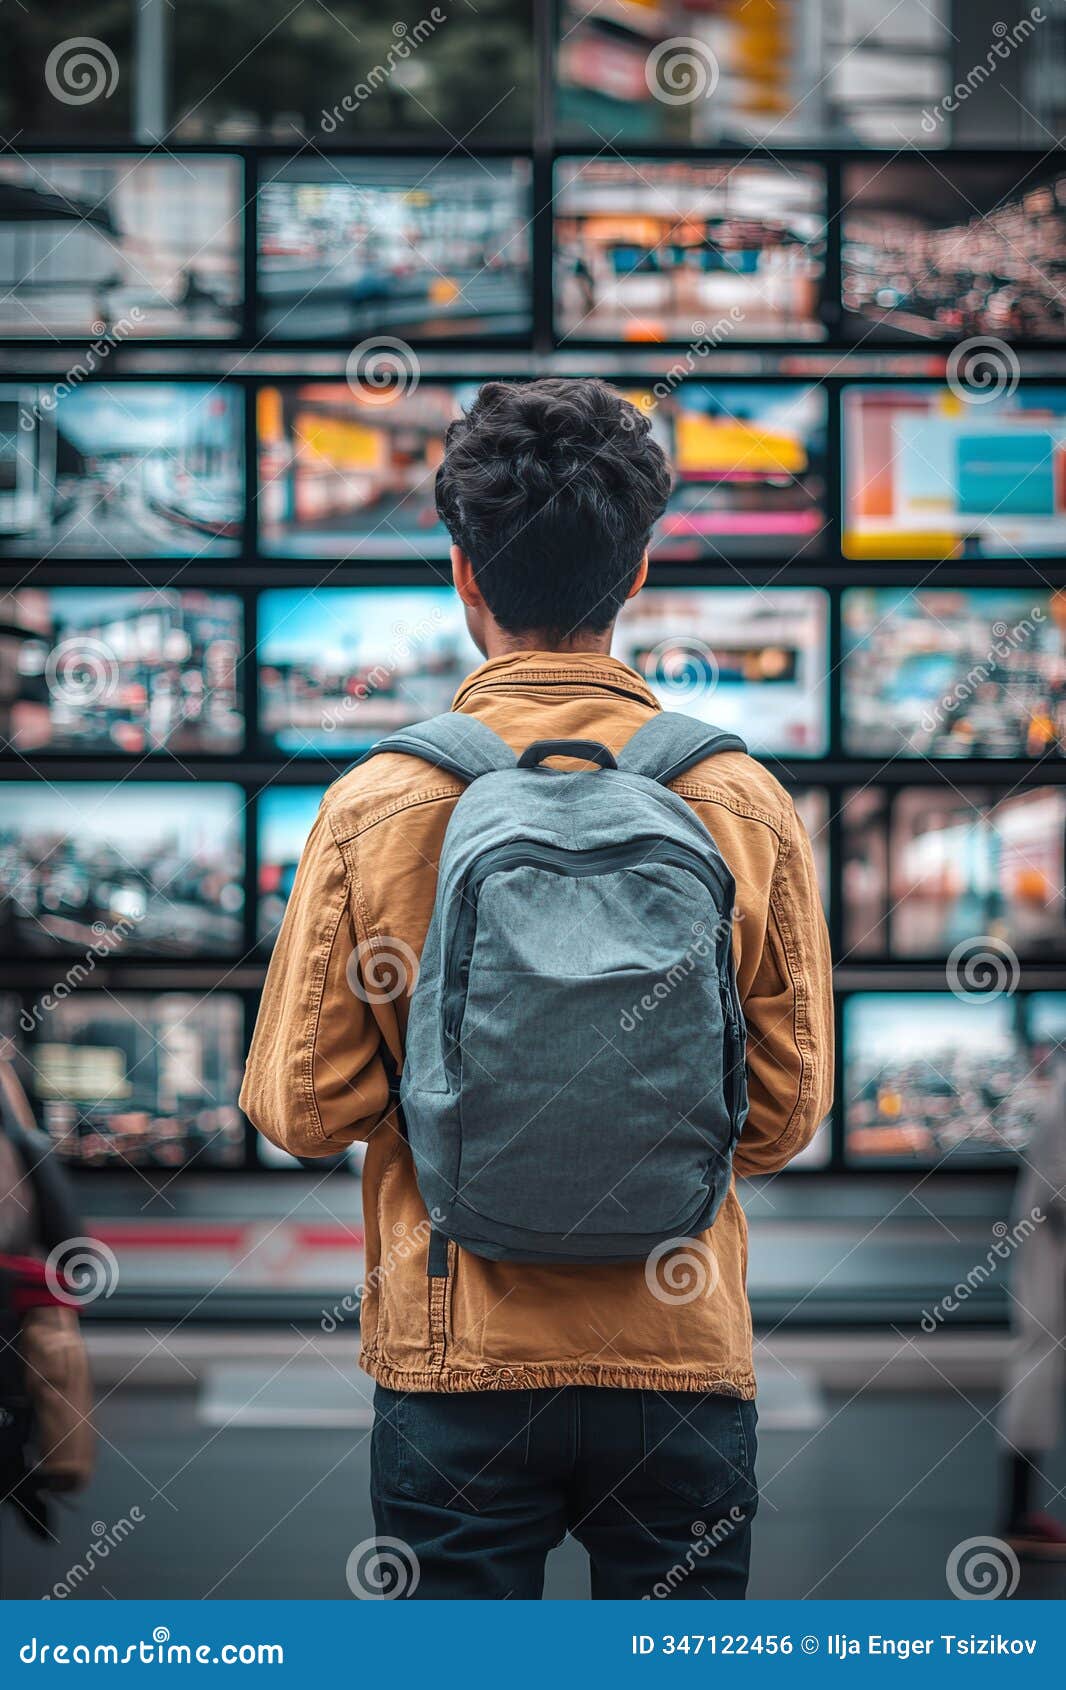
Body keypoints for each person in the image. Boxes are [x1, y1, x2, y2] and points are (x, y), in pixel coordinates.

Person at [241, 377, 833, 1600]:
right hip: (681, 1359)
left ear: (463, 571)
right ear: (639, 567)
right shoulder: (738, 800)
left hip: (456, 1366)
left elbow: (301, 1111)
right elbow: (776, 1127)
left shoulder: (381, 803)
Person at [1000, 1052, 1066, 1557]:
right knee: (1038, 1367)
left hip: (1048, 1251)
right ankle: (1019, 1515)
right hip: (1052, 1254)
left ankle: (1020, 1513)